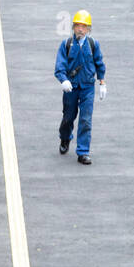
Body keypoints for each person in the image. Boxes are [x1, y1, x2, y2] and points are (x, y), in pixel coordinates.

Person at [54, 9, 106, 165]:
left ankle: (83, 152)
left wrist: (102, 82)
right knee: (68, 116)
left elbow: (99, 63)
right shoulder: (66, 44)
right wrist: (63, 80)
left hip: (87, 87)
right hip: (71, 87)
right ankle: (65, 137)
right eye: (77, 26)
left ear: (89, 29)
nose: (80, 29)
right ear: (73, 27)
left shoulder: (93, 44)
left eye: (84, 26)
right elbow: (60, 66)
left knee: (85, 119)